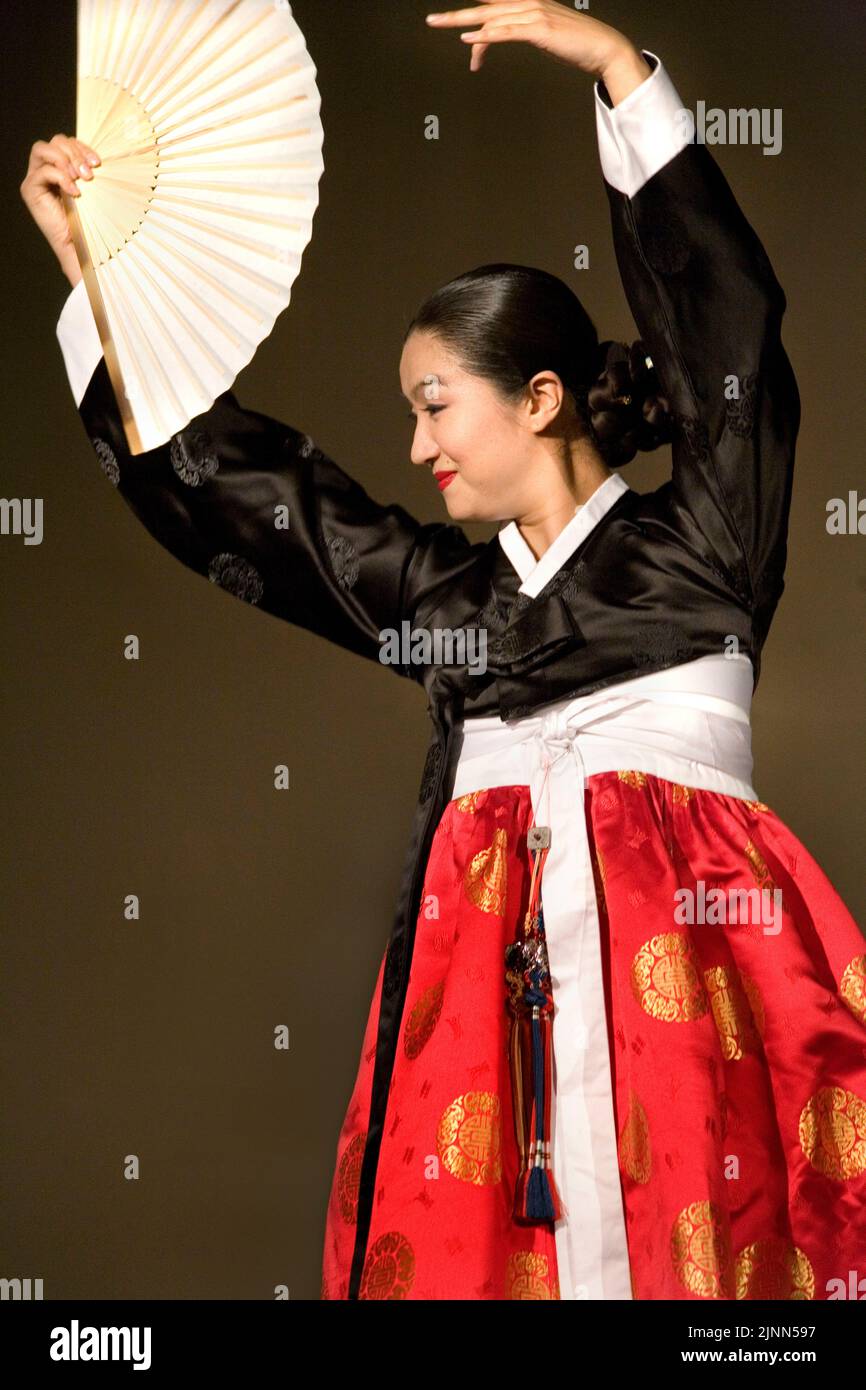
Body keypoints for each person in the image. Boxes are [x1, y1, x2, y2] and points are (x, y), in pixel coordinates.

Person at [23, 2, 865, 1302]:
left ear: (538, 398)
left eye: (434, 405)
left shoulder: (701, 552)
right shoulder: (447, 607)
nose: (418, 449)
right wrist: (101, 279)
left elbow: (732, 343)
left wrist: (618, 72)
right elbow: (253, 504)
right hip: (483, 1065)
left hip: (697, 1034)